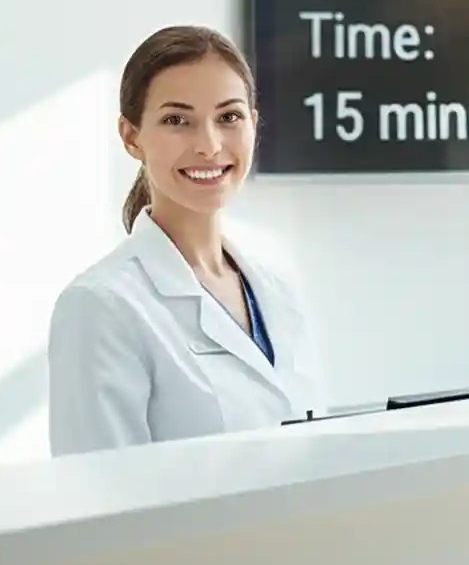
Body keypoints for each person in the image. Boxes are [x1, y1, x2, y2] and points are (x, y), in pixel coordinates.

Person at [47, 25, 325, 455]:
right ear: (131, 137)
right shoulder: (101, 306)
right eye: (177, 121)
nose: (210, 146)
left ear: (253, 123)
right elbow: (98, 498)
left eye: (229, 117)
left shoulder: (277, 287)